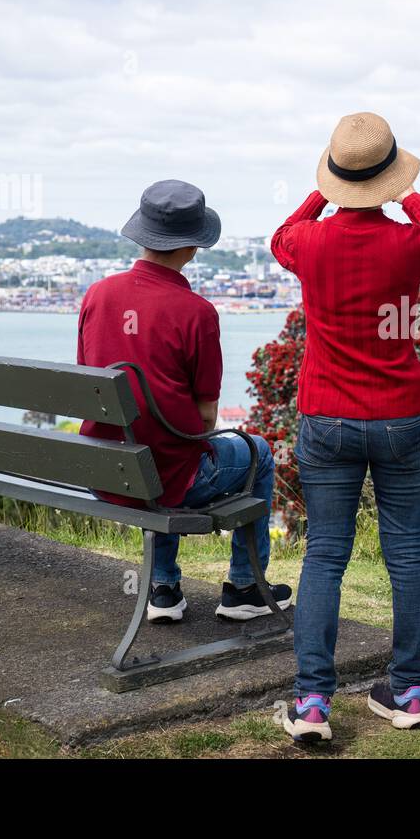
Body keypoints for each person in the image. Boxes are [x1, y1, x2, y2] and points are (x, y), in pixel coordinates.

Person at [271, 113, 420, 742]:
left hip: (327, 417)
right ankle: (407, 690)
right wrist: (409, 196)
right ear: (388, 178)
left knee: (325, 553)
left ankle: (313, 704)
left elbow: (284, 233)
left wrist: (324, 190)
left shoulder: (310, 245)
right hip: (403, 414)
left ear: (336, 176)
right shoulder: (409, 245)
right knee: (408, 553)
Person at [77, 179, 291, 623]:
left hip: (106, 470)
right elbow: (205, 419)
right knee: (260, 453)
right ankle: (245, 587)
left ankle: (163, 587)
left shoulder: (97, 294)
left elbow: (89, 381)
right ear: (193, 246)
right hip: (164, 476)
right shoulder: (196, 312)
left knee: (152, 452)